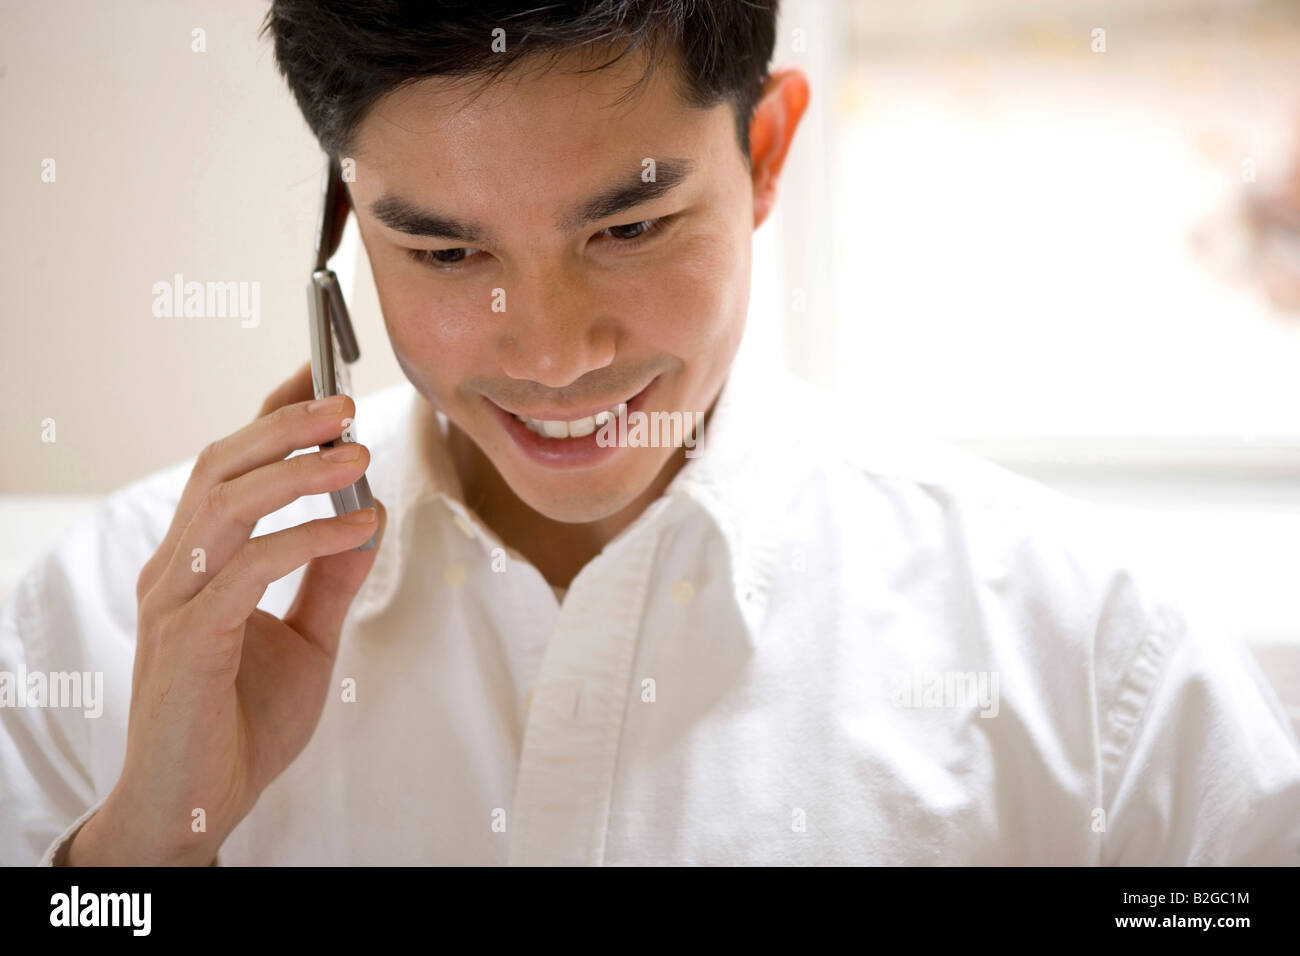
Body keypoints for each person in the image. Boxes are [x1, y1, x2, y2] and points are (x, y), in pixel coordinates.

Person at [3, 0, 1298, 866]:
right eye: (445, 251)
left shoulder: (1087, 655)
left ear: (769, 148)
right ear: (347, 227)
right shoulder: (100, 629)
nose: (553, 356)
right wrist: (140, 857)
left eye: (628, 230)